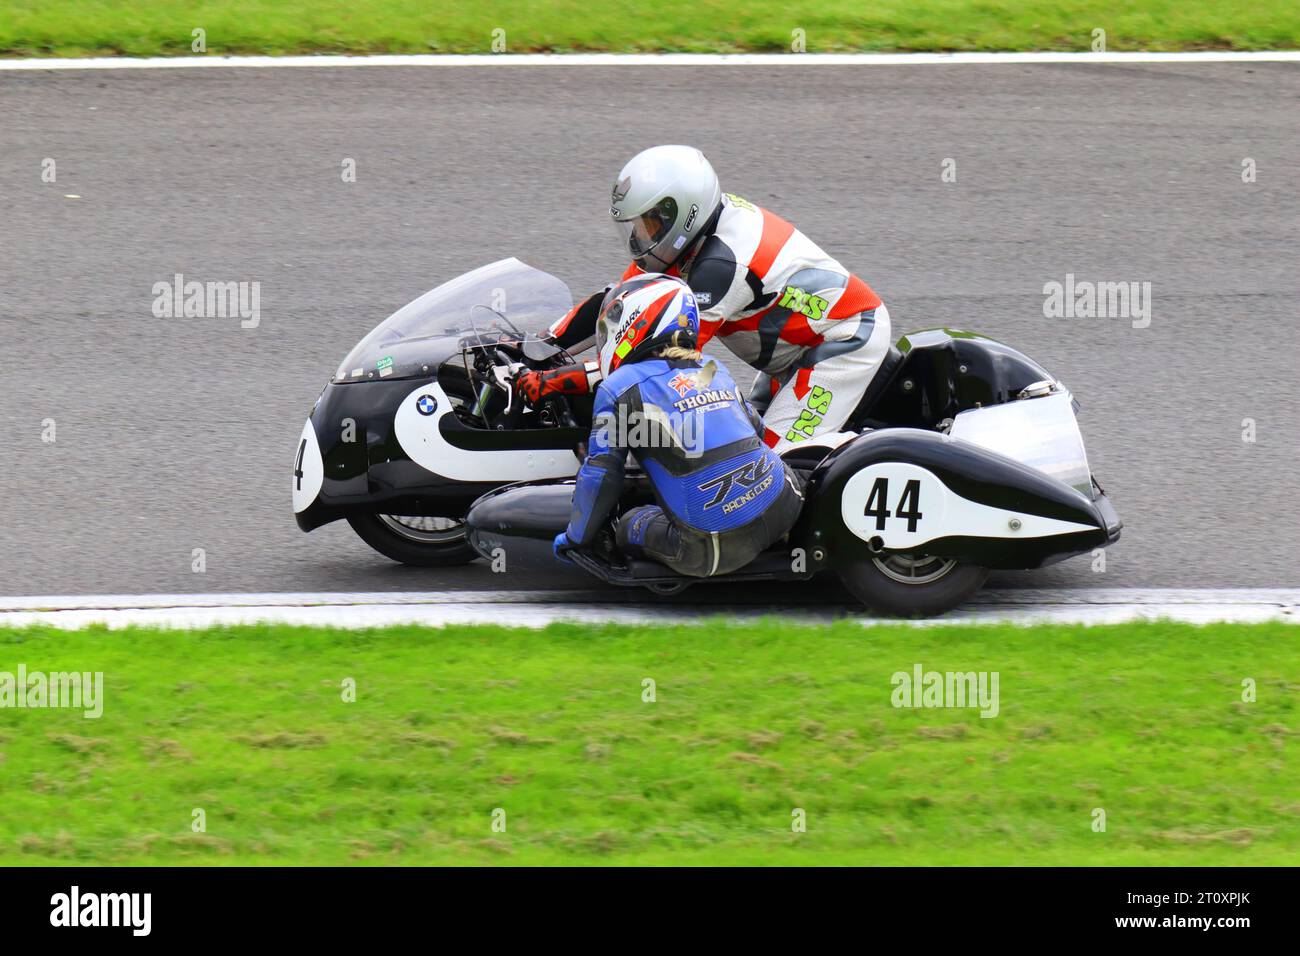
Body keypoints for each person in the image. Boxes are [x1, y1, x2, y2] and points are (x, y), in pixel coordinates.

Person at [516, 144, 891, 454]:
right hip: (793, 347)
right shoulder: (693, 237)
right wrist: (539, 343)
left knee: (775, 461)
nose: (639, 239)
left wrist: (564, 379)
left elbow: (657, 354)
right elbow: (619, 302)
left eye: (648, 225)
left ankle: (862, 461)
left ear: (682, 213)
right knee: (745, 438)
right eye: (634, 227)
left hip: (842, 340)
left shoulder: (722, 264)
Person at [552, 274, 803, 577]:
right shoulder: (712, 367)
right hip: (784, 505)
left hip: (710, 547)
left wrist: (575, 537)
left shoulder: (618, 387)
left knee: (626, 522)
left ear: (635, 322)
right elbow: (757, 430)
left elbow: (602, 474)